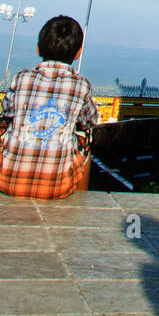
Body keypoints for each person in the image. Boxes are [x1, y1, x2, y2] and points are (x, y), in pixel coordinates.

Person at [0, 16, 98, 199]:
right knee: (86, 140)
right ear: (78, 53)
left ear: (38, 48)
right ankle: (81, 201)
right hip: (57, 188)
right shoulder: (81, 85)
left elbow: (6, 111)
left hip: (7, 182)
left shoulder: (22, 78)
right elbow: (90, 121)